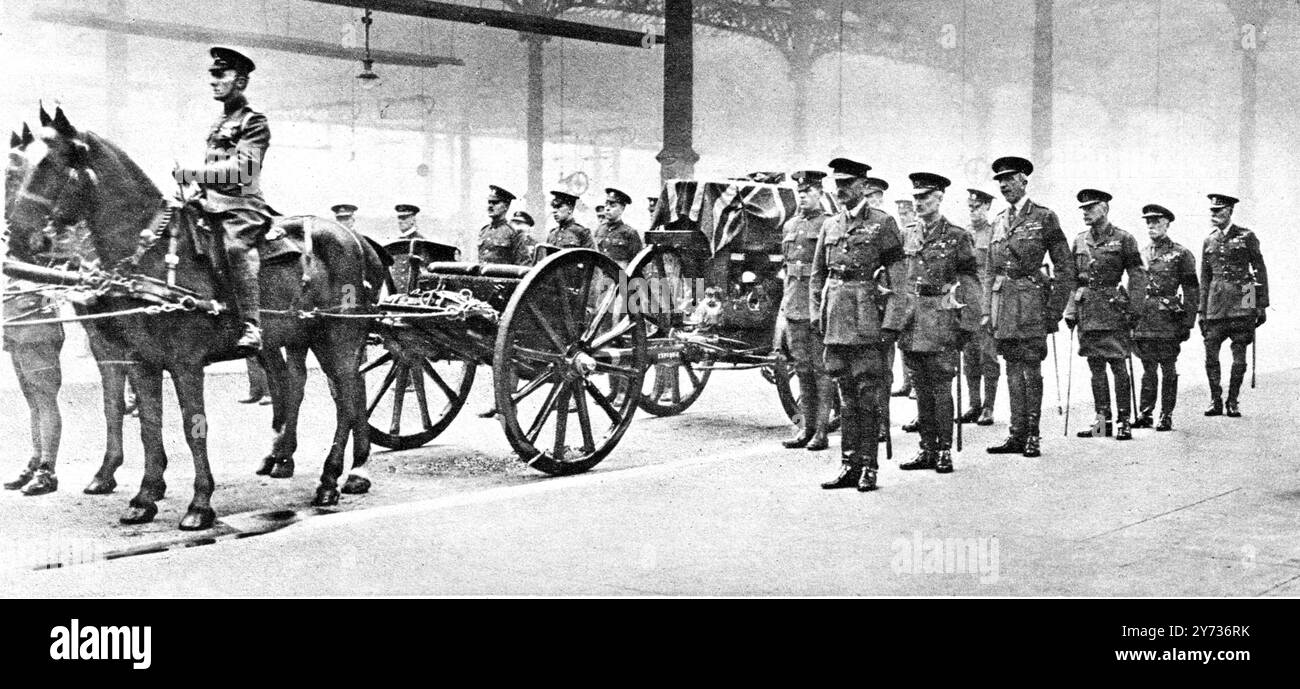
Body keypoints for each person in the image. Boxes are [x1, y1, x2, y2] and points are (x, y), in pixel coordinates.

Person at [811, 158, 904, 492]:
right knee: (845, 395)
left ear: (864, 187)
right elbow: (817, 274)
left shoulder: (883, 224)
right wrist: (815, 314)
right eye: (837, 185)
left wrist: (892, 324)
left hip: (867, 321)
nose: (840, 191)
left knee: (867, 395)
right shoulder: (830, 225)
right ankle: (849, 463)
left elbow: (899, 280)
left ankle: (869, 466)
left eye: (847, 184)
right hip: (835, 318)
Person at [173, 47, 272, 355]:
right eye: (211, 75)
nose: (212, 81)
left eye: (220, 75)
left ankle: (251, 325)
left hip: (241, 207)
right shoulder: (218, 122)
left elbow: (245, 170)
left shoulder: (253, 122)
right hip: (209, 203)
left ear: (240, 81)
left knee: (235, 248)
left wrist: (194, 174)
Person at [983, 156, 1077, 458]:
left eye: (1010, 178)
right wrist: (988, 309)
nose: (1004, 184)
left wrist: (1054, 310)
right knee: (1011, 366)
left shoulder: (1044, 217)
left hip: (1032, 305)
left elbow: (1065, 268)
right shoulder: (998, 220)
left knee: (1031, 368)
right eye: (1000, 180)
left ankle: (1033, 435)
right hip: (1005, 305)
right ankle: (1016, 434)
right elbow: (989, 271)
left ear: (1024, 180)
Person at [889, 173, 980, 474]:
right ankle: (926, 449)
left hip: (941, 318)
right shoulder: (909, 234)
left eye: (925, 197)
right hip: (913, 319)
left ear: (939, 198)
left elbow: (969, 282)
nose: (919, 203)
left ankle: (943, 451)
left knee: (941, 387)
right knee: (921, 387)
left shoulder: (956, 235)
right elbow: (899, 279)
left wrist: (967, 324)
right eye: (916, 197)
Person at [1063, 189, 1147, 441]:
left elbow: (1138, 275)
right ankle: (1102, 422)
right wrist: (1070, 309)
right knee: (1095, 366)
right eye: (1083, 209)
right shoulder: (1079, 240)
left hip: (1113, 310)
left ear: (1105, 208)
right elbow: (1072, 279)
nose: (1086, 213)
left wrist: (1135, 309)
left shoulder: (1123, 238)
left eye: (1091, 207)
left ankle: (1124, 421)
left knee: (1118, 365)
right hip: (1087, 310)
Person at [777, 170, 834, 451]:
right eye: (799, 191)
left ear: (820, 194)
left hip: (818, 307)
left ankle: (821, 432)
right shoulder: (790, 226)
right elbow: (787, 272)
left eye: (809, 191)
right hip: (794, 306)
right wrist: (784, 308)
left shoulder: (828, 224)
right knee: (801, 370)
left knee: (821, 371)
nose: (803, 195)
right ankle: (805, 428)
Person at [1199, 193, 1268, 417]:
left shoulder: (1246, 236)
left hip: (1241, 306)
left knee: (1239, 356)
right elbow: (1205, 279)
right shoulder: (1208, 241)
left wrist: (1258, 305)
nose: (1214, 215)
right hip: (1215, 307)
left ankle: (1232, 400)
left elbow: (1257, 273)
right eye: (1212, 211)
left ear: (1229, 211)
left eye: (1218, 211)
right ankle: (1215, 399)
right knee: (1211, 355)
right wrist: (1202, 310)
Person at [1132, 204, 1198, 431]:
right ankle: (1145, 413)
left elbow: (1191, 290)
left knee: (1168, 367)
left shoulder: (1181, 253)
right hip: (1144, 318)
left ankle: (1166, 414)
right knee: (1147, 367)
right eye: (1148, 222)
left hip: (1169, 318)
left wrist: (1188, 322)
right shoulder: (1141, 253)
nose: (1151, 226)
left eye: (1156, 222)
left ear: (1167, 224)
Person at [959, 187, 1001, 425]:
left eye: (978, 207)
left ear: (987, 207)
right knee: (969, 356)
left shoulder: (994, 233)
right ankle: (974, 404)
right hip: (966, 303)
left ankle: (989, 407)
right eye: (970, 208)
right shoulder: (964, 234)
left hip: (986, 302)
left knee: (988, 356)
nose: (973, 212)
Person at [475, 186, 530, 265]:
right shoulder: (484, 231)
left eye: (495, 203)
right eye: (489, 202)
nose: (490, 206)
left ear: (506, 207)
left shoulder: (513, 233)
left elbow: (523, 264)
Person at [593, 188, 644, 269]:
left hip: (621, 277)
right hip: (600, 278)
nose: (607, 208)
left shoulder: (629, 233)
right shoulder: (599, 230)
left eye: (613, 205)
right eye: (606, 204)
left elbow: (637, 264)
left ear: (622, 209)